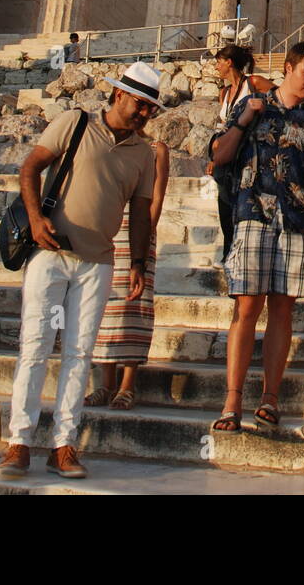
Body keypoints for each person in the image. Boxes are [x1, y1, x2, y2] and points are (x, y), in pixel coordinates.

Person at [0, 61, 161, 480]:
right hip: (50, 253)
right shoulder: (75, 122)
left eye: (151, 109)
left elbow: (141, 212)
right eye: (140, 104)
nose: (144, 114)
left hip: (98, 262)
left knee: (79, 354)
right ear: (119, 94)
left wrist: (139, 261)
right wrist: (35, 220)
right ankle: (18, 442)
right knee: (34, 346)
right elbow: (31, 166)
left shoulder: (143, 152)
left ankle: (64, 445)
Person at [209, 41, 304, 432]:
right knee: (246, 308)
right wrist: (245, 117)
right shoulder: (252, 104)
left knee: (283, 309)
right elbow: (220, 155)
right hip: (253, 214)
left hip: (299, 219)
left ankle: (269, 399)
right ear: (288, 67)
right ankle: (232, 400)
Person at [85, 139, 170, 410]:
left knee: (134, 304)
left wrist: (146, 232)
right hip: (108, 228)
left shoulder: (156, 149)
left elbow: (157, 195)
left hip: (138, 231)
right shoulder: (109, 145)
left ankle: (127, 385)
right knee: (103, 305)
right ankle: (104, 383)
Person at [205, 45, 275, 262]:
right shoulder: (224, 93)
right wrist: (213, 159)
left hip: (249, 156)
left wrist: (261, 109)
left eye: (219, 61)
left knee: (244, 208)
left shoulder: (254, 83)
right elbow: (223, 126)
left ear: (229, 62)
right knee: (225, 208)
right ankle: (229, 254)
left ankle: (246, 255)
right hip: (227, 158)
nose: (216, 66)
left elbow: (279, 99)